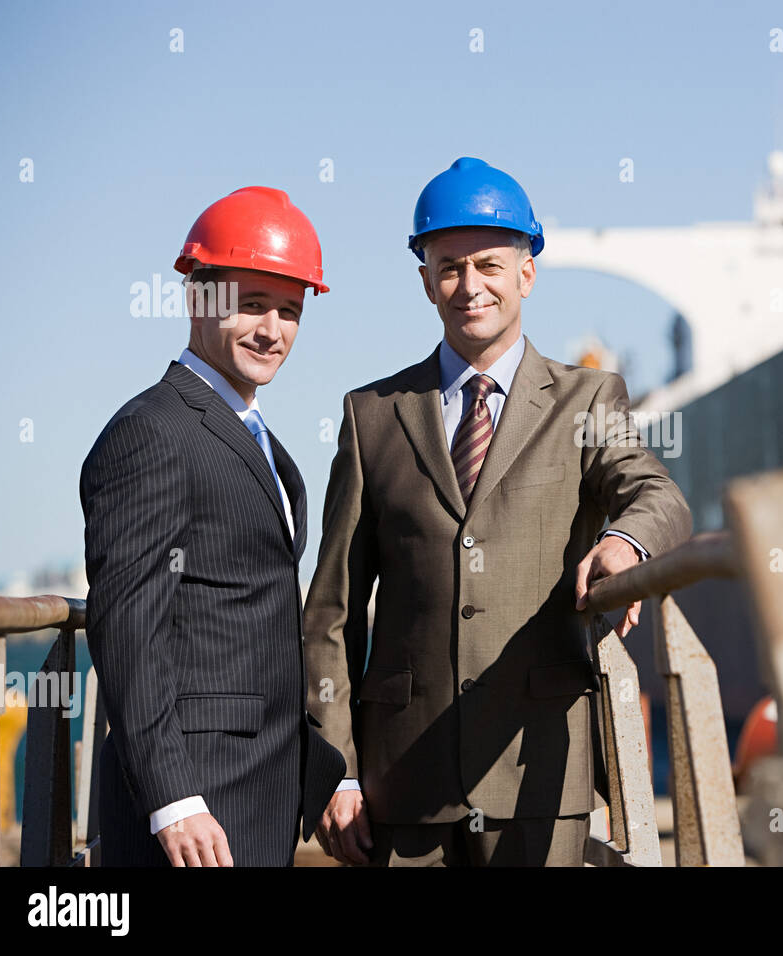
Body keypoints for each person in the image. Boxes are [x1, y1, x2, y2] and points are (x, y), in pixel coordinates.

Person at [304, 157, 692, 866]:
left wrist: (625, 543)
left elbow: (656, 493)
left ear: (527, 274)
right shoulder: (372, 417)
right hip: (400, 785)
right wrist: (338, 768)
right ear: (424, 279)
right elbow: (330, 611)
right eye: (448, 267)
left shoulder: (588, 400)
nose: (469, 285)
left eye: (488, 264)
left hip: (538, 768)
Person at [80, 186, 345, 866]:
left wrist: (327, 775)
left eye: (289, 310)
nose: (273, 330)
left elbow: (246, 634)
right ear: (198, 300)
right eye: (251, 305)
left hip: (257, 798)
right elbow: (129, 627)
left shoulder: (257, 441)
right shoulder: (154, 433)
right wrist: (172, 798)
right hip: (196, 812)